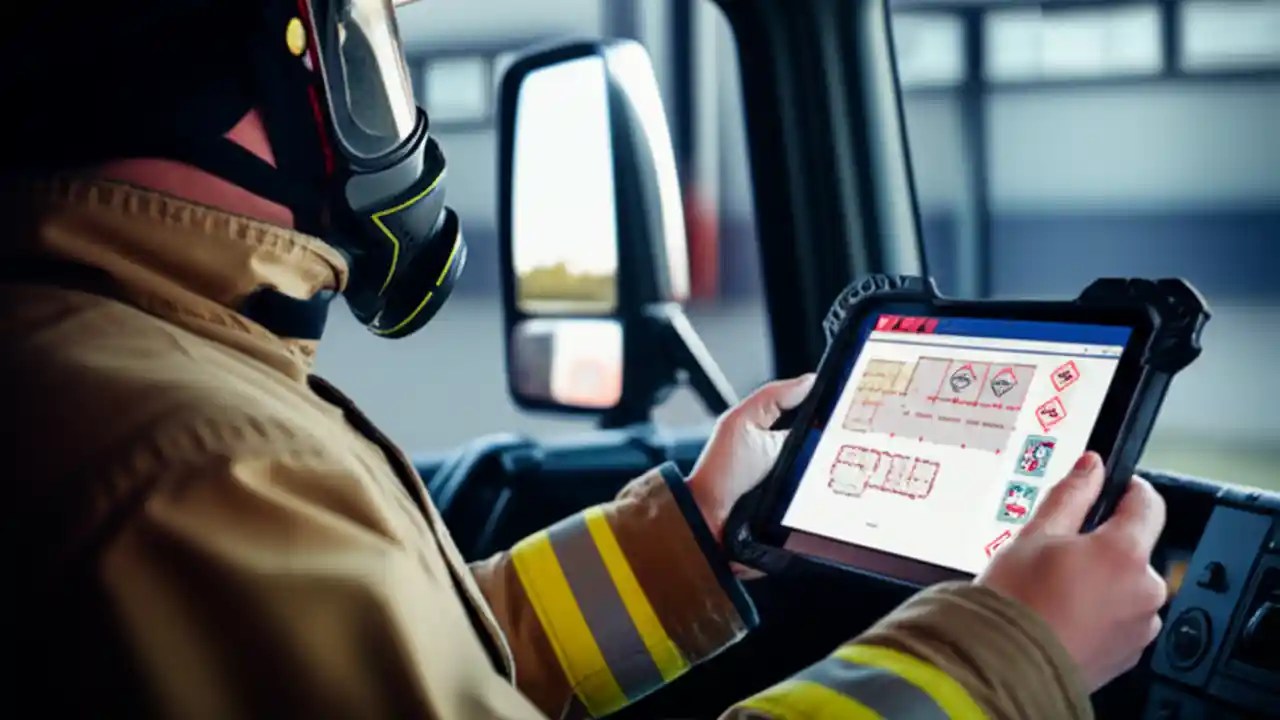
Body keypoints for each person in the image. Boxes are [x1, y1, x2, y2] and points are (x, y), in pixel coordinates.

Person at [0, 1, 1168, 718]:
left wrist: (690, 539)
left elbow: (409, 680)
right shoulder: (199, 458)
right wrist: (1013, 658)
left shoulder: (115, 368)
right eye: (376, 42)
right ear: (305, 73)